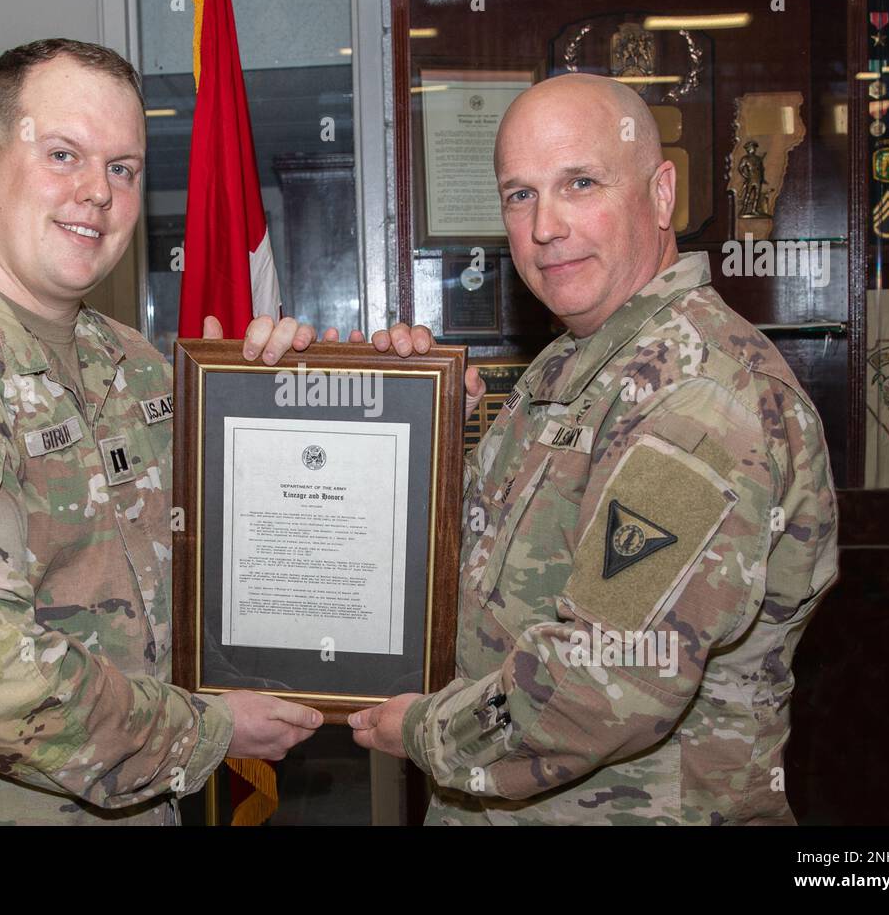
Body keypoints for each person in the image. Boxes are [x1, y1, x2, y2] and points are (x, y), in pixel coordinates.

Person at [0, 38, 328, 825]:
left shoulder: (137, 367)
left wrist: (337, 401)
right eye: (63, 154)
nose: (97, 193)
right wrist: (211, 729)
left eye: (122, 168)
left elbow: (234, 558)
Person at [347, 73, 839, 824]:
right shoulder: (570, 368)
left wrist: (425, 732)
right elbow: (473, 584)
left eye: (580, 183)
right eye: (521, 195)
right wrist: (408, 429)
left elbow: (612, 678)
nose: (546, 225)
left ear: (662, 193)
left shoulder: (702, 398)